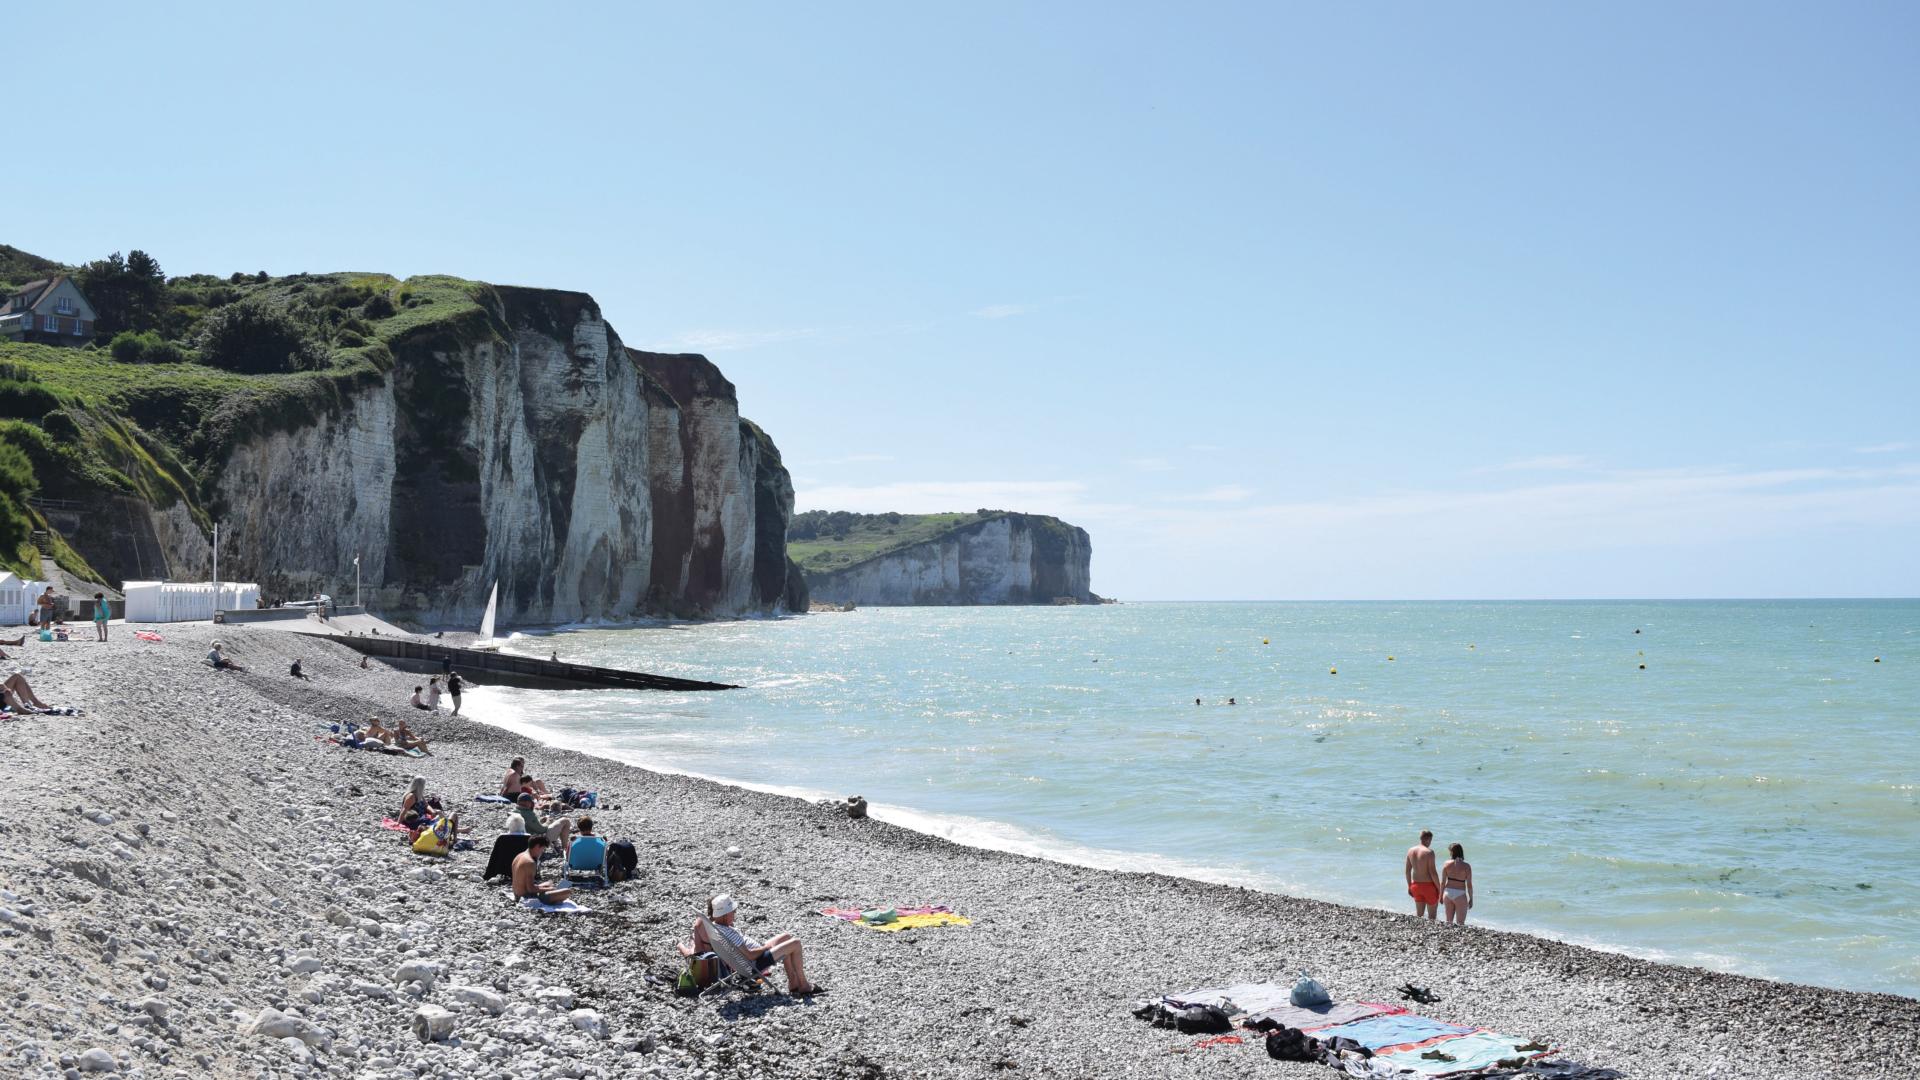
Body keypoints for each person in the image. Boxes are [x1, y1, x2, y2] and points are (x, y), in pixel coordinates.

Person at [692, 893, 823, 995]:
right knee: (795, 943)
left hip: (746, 961)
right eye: (733, 912)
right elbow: (749, 956)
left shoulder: (716, 927)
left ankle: (793, 983)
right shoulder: (728, 932)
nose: (735, 914)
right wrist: (766, 947)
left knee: (786, 937)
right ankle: (804, 985)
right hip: (753, 965)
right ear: (725, 915)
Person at [511, 835, 572, 904]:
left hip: (516, 893)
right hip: (526, 897)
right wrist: (551, 889)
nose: (542, 852)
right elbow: (530, 889)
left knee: (549, 883)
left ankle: (552, 890)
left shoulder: (519, 856)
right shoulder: (530, 862)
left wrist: (547, 887)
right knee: (567, 892)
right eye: (543, 849)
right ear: (537, 846)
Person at [1405, 829, 1440, 920]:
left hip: (1415, 886)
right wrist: (1439, 888)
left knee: (1419, 916)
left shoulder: (1410, 851)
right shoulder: (1429, 852)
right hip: (1428, 887)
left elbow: (1407, 871)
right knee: (1432, 917)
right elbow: (1433, 872)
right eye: (1430, 841)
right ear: (1428, 839)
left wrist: (1409, 886)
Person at [1440, 843, 1474, 925]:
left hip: (1447, 893)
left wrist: (1440, 896)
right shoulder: (1466, 866)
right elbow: (1469, 885)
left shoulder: (1446, 864)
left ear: (1452, 852)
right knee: (1460, 923)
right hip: (1460, 895)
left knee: (1448, 922)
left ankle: (1447, 937)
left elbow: (1443, 882)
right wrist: (1471, 899)